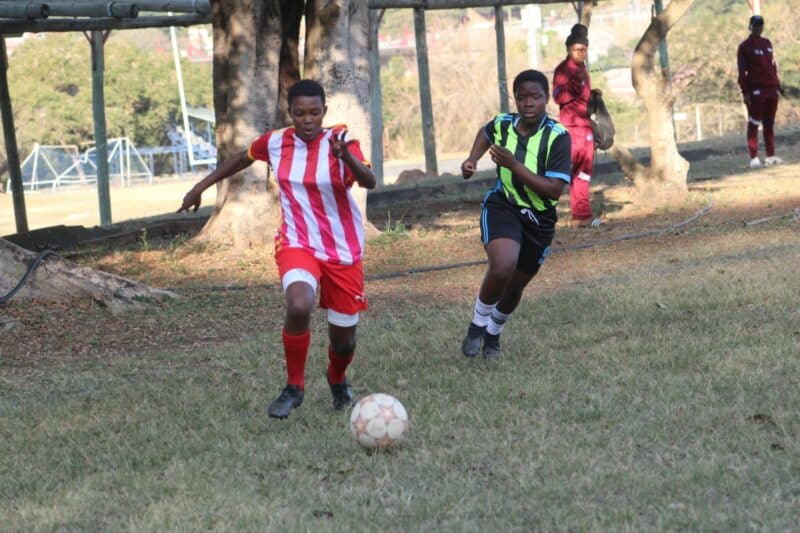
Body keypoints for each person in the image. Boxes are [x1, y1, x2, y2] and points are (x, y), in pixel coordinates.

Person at [178, 80, 376, 419]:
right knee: (299, 304)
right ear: (291, 114)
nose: (308, 119)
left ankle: (337, 378)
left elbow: (369, 182)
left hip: (342, 250)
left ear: (324, 112)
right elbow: (240, 159)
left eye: (315, 112)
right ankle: (294, 386)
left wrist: (347, 159)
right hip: (297, 241)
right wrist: (200, 186)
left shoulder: (342, 142)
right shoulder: (276, 142)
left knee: (344, 340)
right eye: (300, 113)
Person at [460, 70, 571, 360]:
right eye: (522, 97)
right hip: (504, 205)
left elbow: (554, 190)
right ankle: (477, 325)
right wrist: (472, 159)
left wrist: (512, 165)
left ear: (547, 98)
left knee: (516, 284)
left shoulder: (558, 137)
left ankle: (493, 334)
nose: (528, 103)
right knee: (502, 265)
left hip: (540, 220)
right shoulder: (504, 124)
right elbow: (486, 133)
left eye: (535, 96)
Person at [552, 24, 594, 227]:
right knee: (564, 172)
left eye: (583, 50)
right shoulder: (563, 70)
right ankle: (545, 213)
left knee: (583, 172)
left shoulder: (583, 70)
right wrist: (574, 84)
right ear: (568, 49)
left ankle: (581, 215)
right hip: (571, 128)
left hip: (585, 127)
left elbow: (584, 99)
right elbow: (558, 97)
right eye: (576, 49)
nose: (580, 53)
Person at [737, 15, 785, 168]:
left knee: (769, 124)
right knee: (754, 123)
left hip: (771, 89)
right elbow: (742, 72)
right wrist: (745, 92)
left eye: (761, 25)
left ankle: (770, 156)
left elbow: (773, 66)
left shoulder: (767, 43)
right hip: (756, 91)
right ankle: (754, 158)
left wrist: (778, 84)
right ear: (750, 26)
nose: (759, 27)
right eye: (756, 25)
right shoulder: (744, 46)